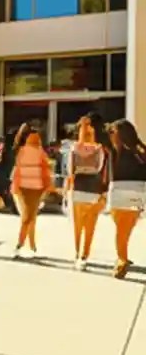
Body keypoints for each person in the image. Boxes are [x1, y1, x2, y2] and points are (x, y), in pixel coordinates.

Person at [65, 114, 110, 271]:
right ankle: (84, 255)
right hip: (94, 190)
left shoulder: (73, 149)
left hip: (77, 189)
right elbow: (102, 171)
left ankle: (77, 254)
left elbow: (70, 172)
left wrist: (66, 191)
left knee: (78, 226)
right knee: (90, 226)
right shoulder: (100, 150)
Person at [108, 119, 146, 280]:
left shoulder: (115, 150)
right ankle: (123, 256)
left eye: (113, 132)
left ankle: (121, 260)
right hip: (138, 192)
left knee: (120, 230)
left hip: (119, 192)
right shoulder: (141, 150)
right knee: (126, 229)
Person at [11, 123, 54, 259]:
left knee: (30, 217)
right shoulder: (24, 151)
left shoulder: (33, 152)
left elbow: (45, 170)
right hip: (26, 187)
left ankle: (32, 246)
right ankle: (20, 245)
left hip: (34, 188)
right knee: (28, 217)